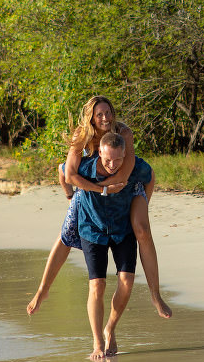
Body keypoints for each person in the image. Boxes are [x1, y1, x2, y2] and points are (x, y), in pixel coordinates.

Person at [26, 96, 171, 319]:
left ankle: (155, 295)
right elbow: (68, 173)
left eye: (108, 112)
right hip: (91, 188)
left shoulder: (123, 133)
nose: (105, 118)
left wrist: (111, 191)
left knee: (141, 230)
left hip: (129, 183)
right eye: (99, 114)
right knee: (66, 233)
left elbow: (123, 175)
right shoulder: (82, 135)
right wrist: (85, 193)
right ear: (91, 118)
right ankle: (42, 290)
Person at [76, 131, 152, 359]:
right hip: (92, 229)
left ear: (125, 155)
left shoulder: (135, 167)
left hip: (122, 229)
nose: (112, 165)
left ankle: (110, 327)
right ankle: (97, 342)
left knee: (127, 281)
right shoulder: (85, 168)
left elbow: (150, 176)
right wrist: (70, 196)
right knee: (97, 285)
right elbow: (64, 172)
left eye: (118, 160)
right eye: (107, 159)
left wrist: (144, 205)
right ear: (99, 152)